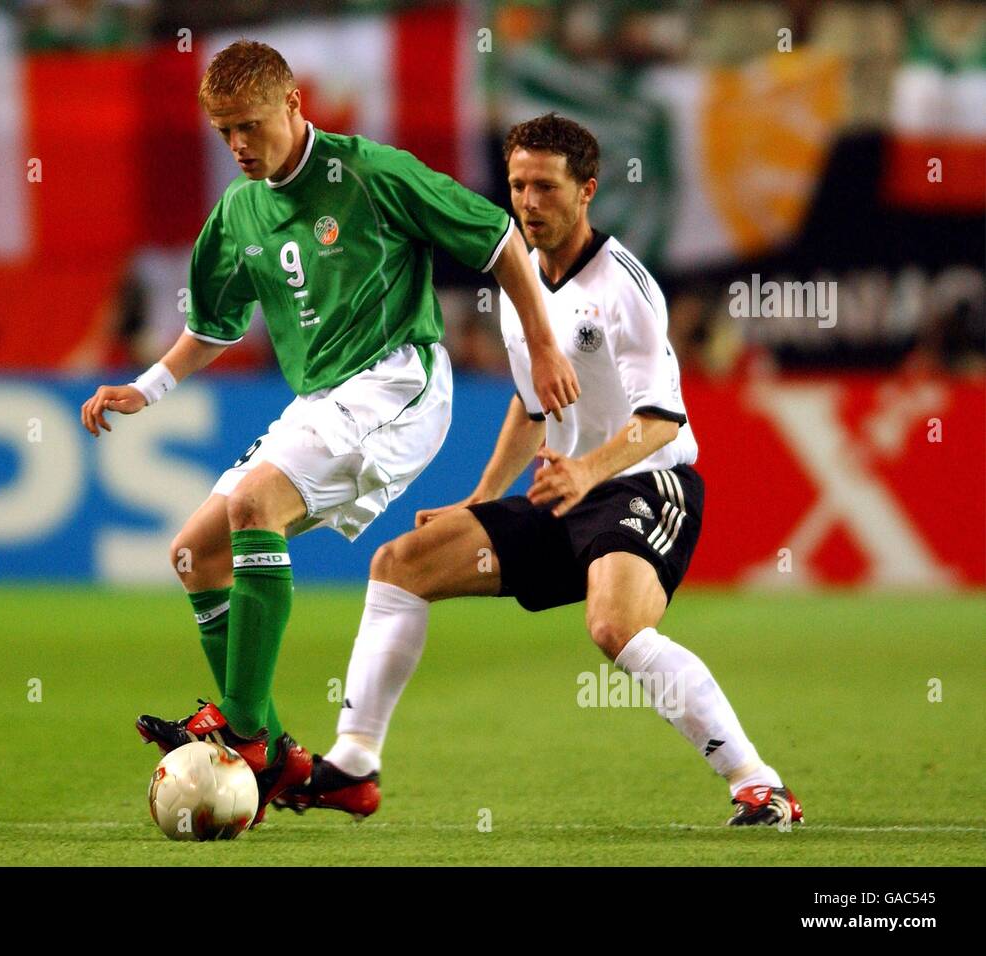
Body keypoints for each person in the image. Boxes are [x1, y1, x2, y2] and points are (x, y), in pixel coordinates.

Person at [79, 46, 580, 823]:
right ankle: (284, 763)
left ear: (294, 105)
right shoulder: (237, 212)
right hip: (319, 398)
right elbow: (211, 326)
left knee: (254, 508)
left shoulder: (372, 173)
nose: (239, 146)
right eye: (224, 133)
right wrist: (145, 389)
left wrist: (544, 346)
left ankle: (241, 730)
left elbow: (497, 240)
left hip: (398, 379)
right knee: (193, 553)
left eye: (250, 127)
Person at [280, 113, 803, 829]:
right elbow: (533, 411)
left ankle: (759, 784)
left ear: (587, 192)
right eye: (518, 185)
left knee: (614, 627)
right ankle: (354, 763)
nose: (527, 201)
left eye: (545, 187)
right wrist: (481, 499)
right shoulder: (519, 286)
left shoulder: (624, 288)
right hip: (565, 494)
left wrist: (589, 471)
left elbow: (663, 420)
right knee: (400, 563)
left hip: (647, 484)